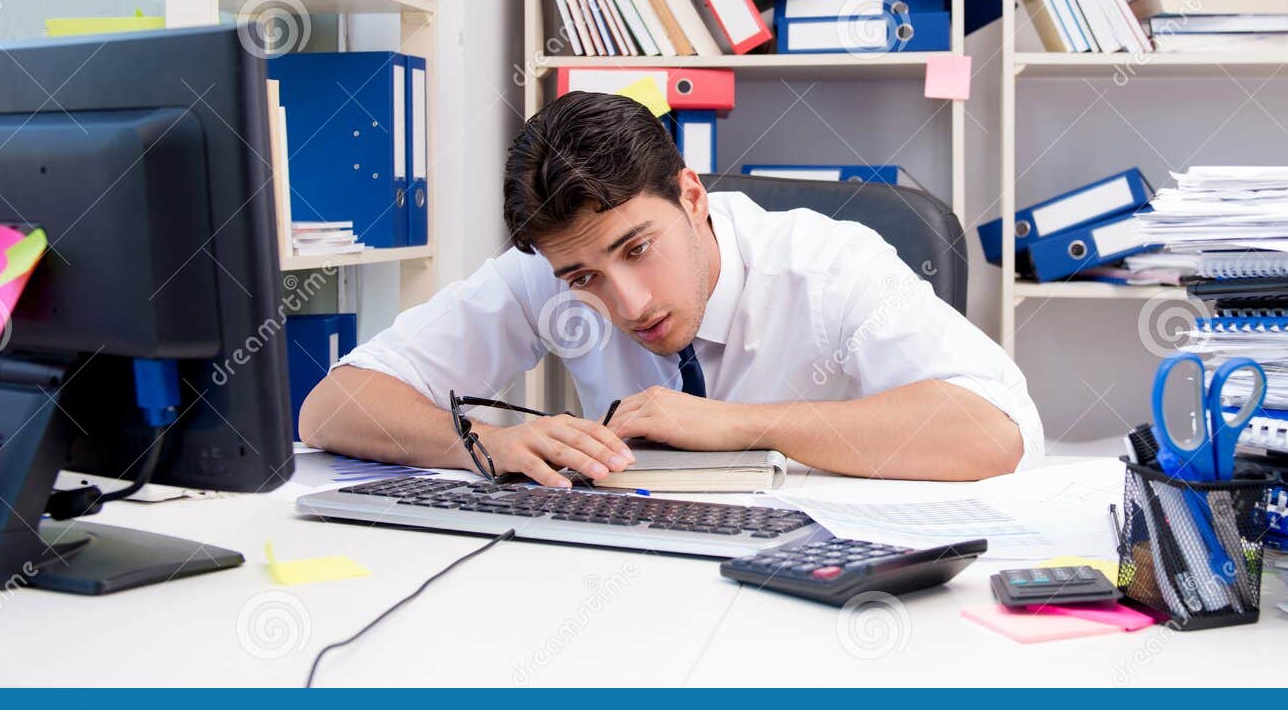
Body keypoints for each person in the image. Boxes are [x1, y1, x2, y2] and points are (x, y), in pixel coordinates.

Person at [299, 91, 1042, 486]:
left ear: (691, 197)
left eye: (637, 249)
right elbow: (332, 407)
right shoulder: (549, 272)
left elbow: (997, 430)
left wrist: (746, 426)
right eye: (584, 277)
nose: (626, 305)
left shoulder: (829, 265)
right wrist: (483, 442)